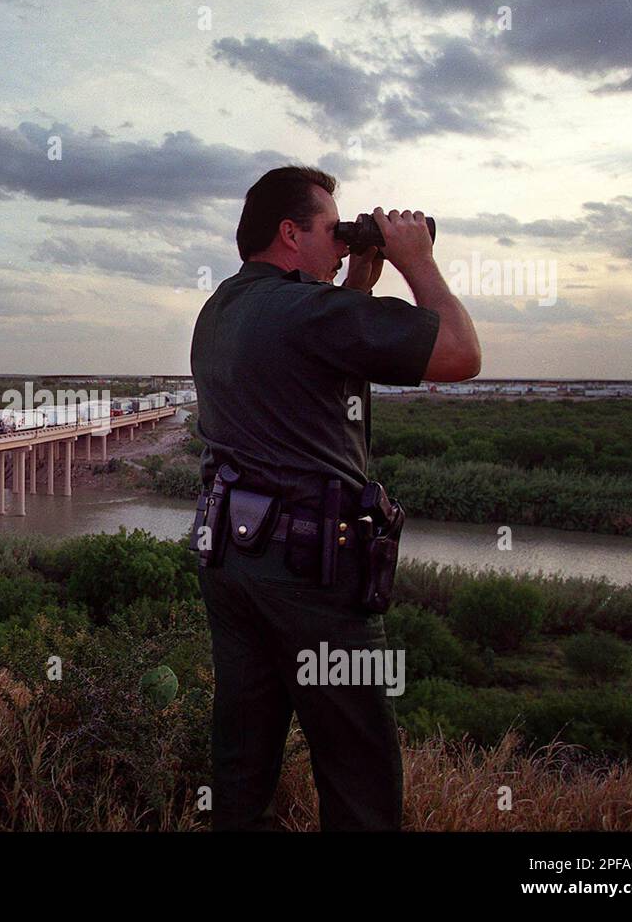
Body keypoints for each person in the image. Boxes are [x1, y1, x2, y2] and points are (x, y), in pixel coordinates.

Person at [189, 165, 481, 831]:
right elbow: (462, 354)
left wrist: (355, 283)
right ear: (291, 234)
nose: (345, 241)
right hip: (310, 576)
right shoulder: (307, 311)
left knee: (242, 765)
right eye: (334, 229)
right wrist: (417, 262)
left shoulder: (223, 309)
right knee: (359, 779)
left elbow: (311, 367)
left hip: (232, 565)